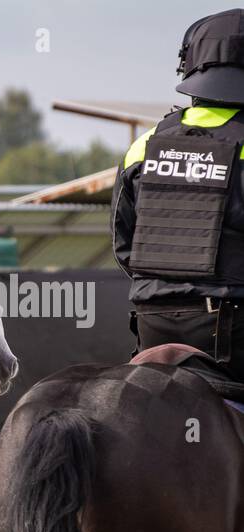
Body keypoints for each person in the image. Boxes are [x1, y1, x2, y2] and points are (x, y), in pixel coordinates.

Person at [113, 9, 244, 383]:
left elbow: (124, 245)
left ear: (189, 66)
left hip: (152, 327)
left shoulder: (144, 146)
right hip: (233, 336)